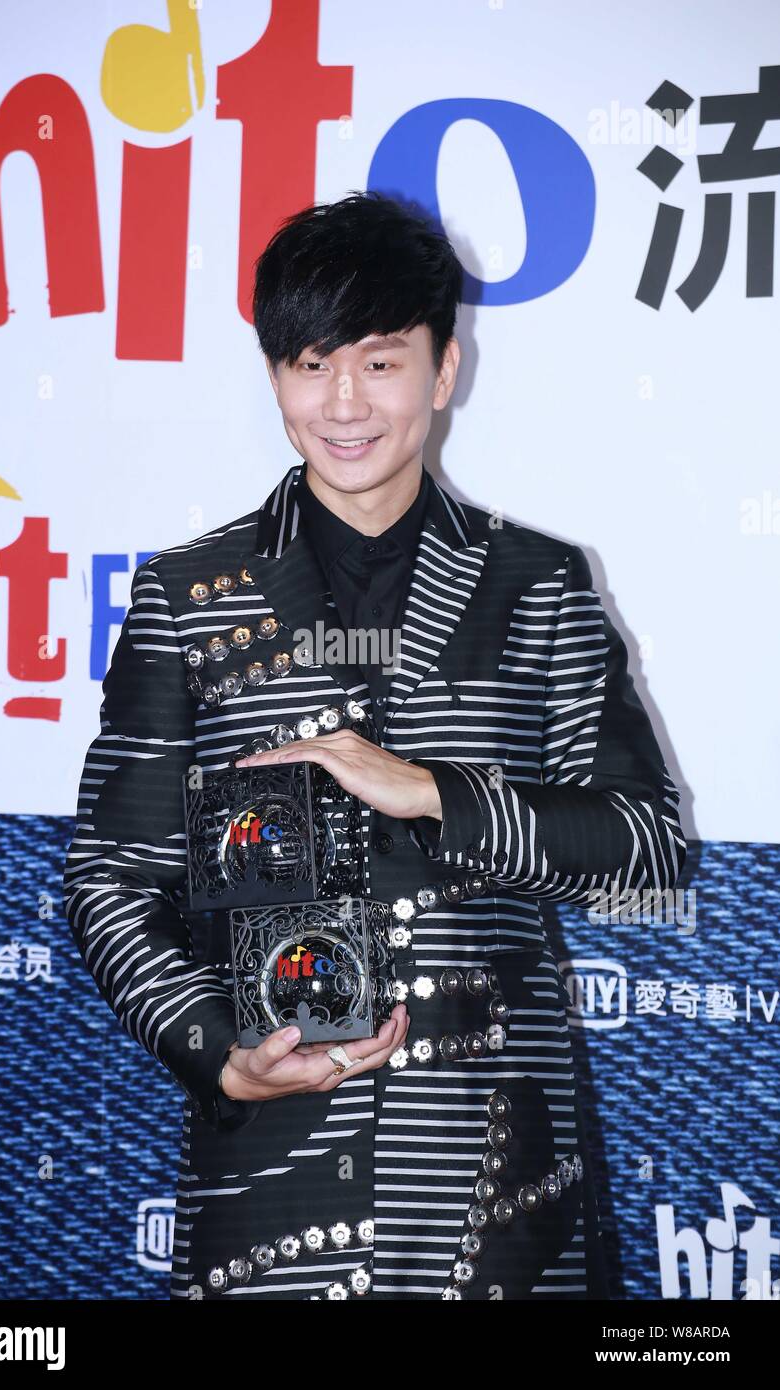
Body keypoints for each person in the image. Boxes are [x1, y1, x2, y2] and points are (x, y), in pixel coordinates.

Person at [63, 191, 686, 1300]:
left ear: (444, 372)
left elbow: (645, 851)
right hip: (273, 1189)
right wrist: (219, 1050)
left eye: (381, 362)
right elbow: (113, 882)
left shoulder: (536, 586)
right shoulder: (187, 599)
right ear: (273, 378)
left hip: (496, 1189)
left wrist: (429, 792)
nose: (343, 402)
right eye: (310, 364)